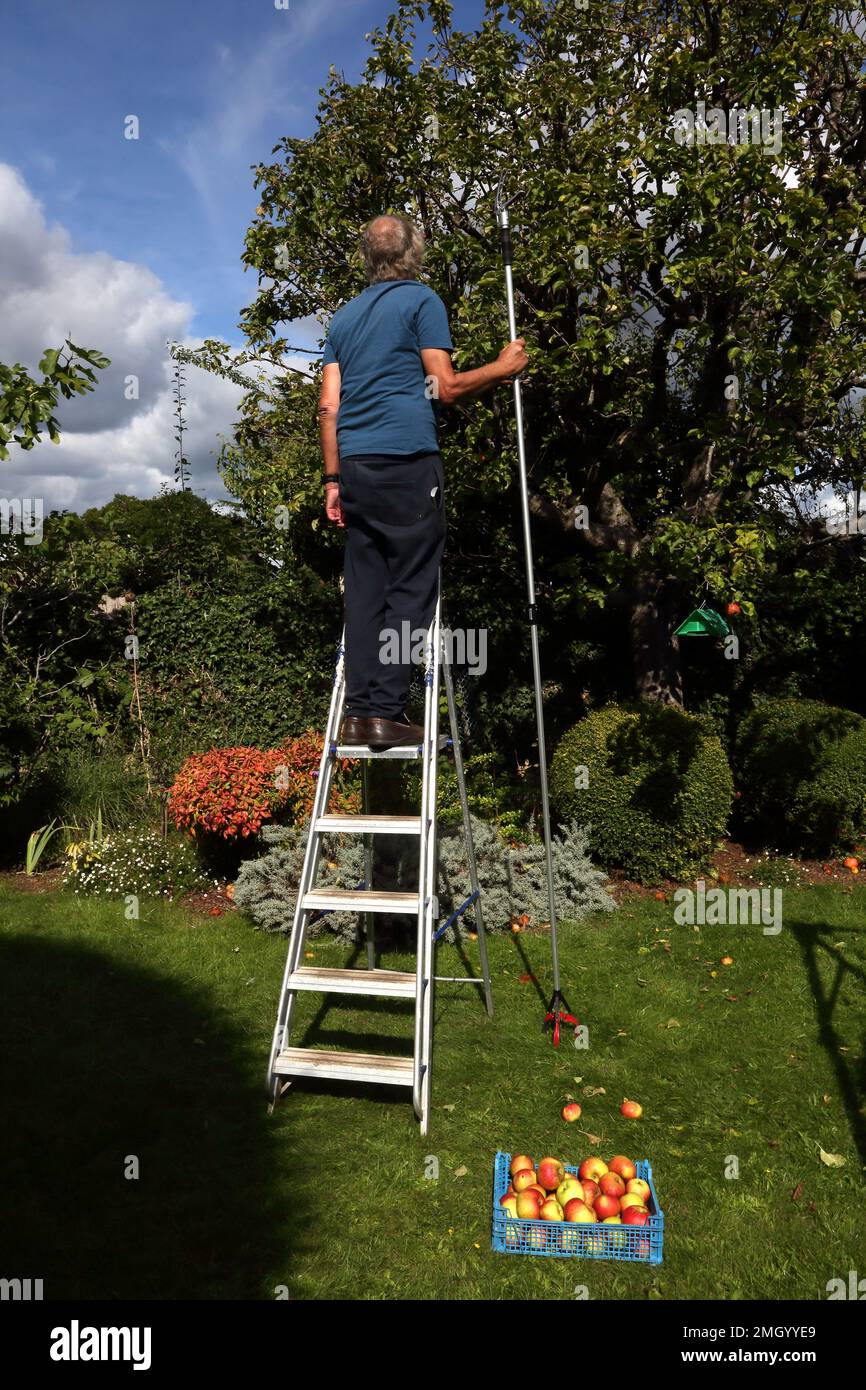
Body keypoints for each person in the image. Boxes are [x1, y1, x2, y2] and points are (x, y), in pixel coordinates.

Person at [319, 213, 528, 749]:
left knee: (365, 591)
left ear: (367, 256)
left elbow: (328, 408)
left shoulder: (342, 320)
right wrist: (503, 369)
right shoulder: (422, 301)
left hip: (357, 466)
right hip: (407, 459)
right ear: (414, 251)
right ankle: (386, 712)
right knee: (411, 586)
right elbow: (447, 387)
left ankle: (359, 713)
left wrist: (333, 481)